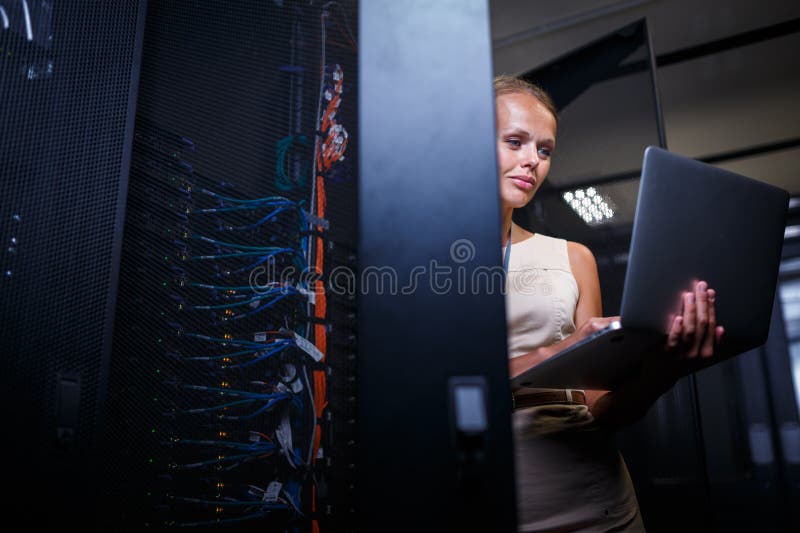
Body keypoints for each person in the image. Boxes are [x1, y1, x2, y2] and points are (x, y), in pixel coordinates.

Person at [495, 74, 725, 532]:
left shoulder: (573, 257)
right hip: (492, 495)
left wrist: (664, 369)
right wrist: (564, 348)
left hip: (597, 500)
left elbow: (602, 408)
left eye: (545, 150)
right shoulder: (427, 260)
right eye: (515, 142)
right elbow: (433, 389)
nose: (533, 161)